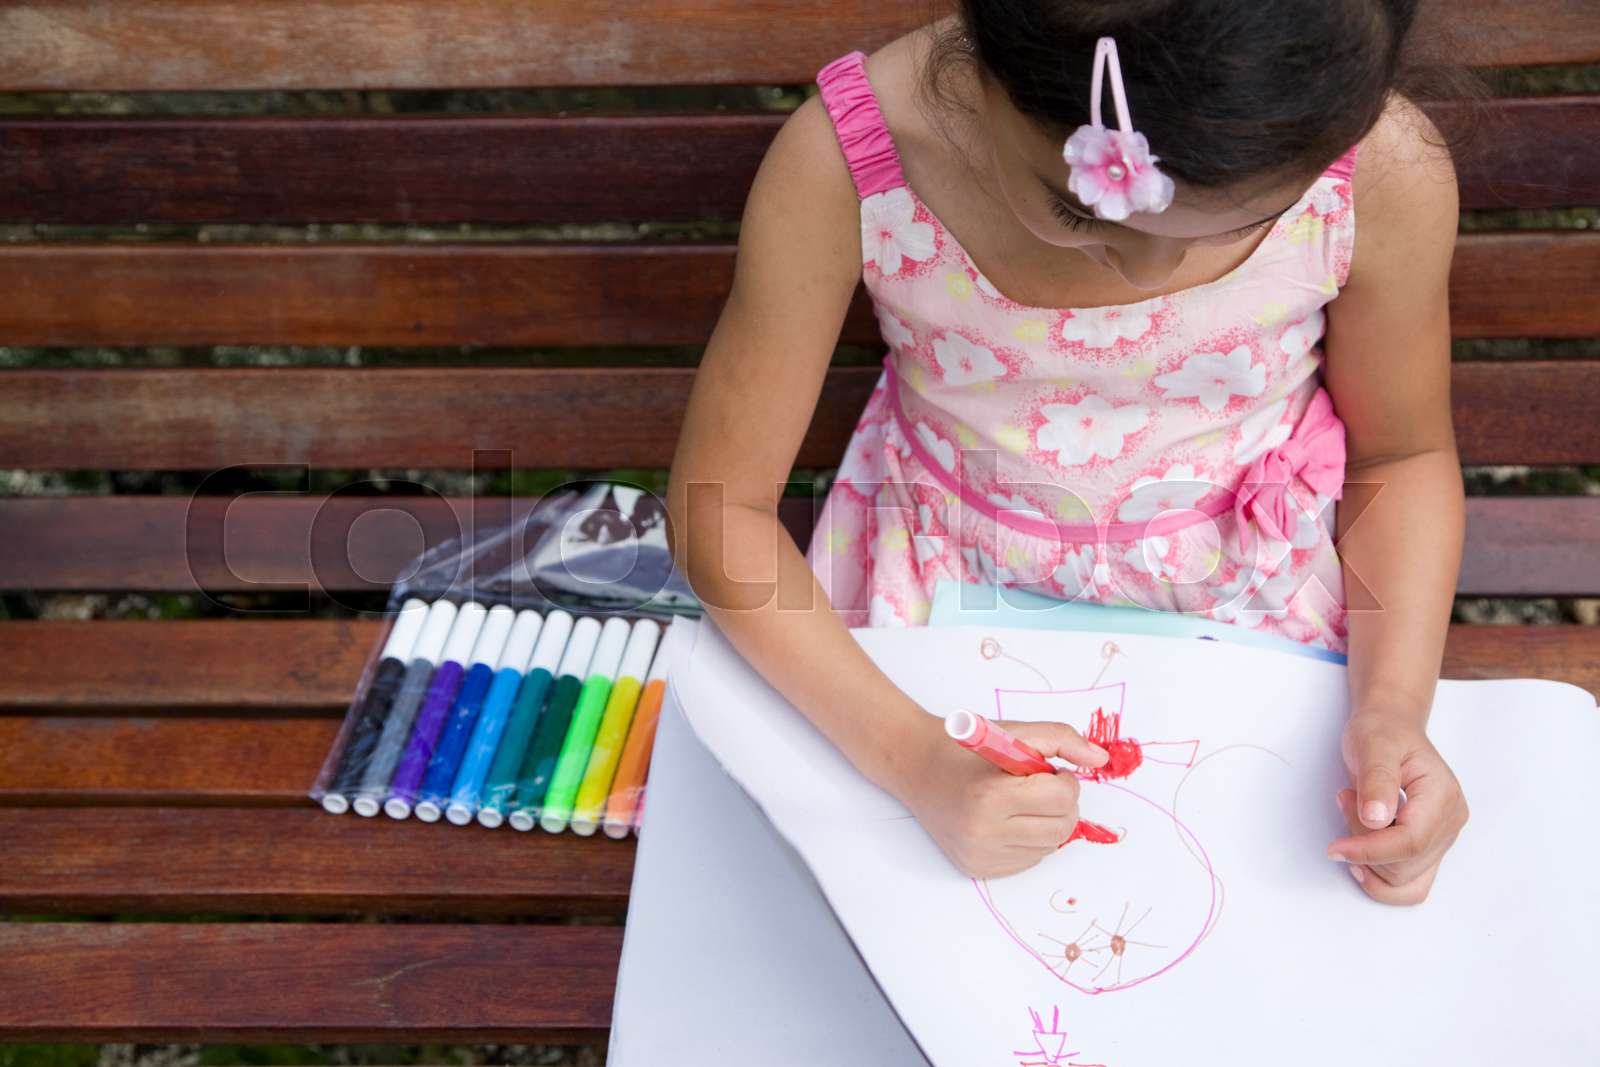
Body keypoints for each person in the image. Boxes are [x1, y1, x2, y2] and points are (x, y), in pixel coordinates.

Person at [667, 2, 1481, 904]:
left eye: (1226, 232)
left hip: (1257, 587)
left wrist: (1391, 709)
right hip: (938, 586)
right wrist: (914, 758)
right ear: (986, 60)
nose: (1139, 277)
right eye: (1074, 206)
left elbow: (1399, 459)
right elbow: (719, 509)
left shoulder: (1381, 172)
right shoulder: (853, 159)